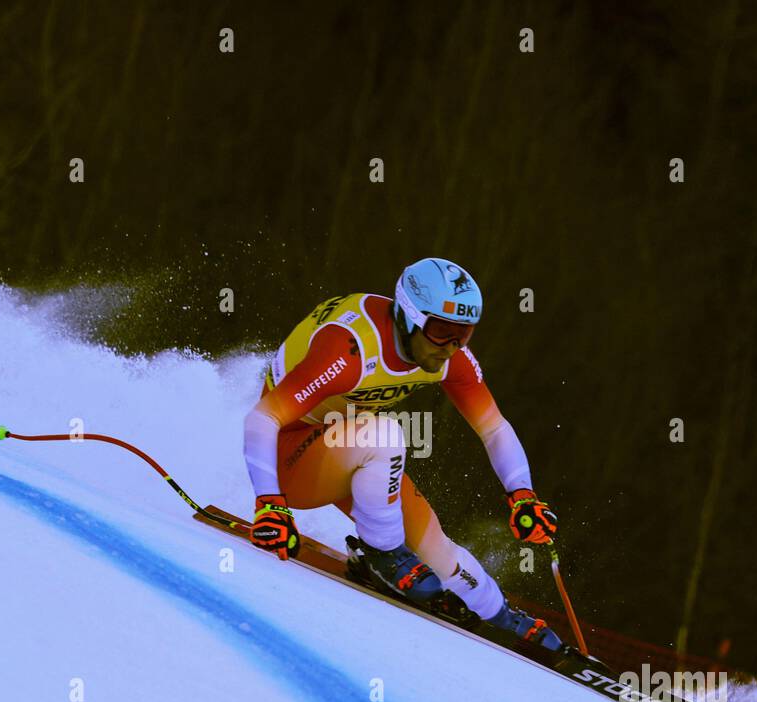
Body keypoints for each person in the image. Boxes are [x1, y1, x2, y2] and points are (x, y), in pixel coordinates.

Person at [242, 257, 564, 649]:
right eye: (442, 330)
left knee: (437, 550)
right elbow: (263, 418)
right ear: (409, 317)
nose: (451, 346)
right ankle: (384, 557)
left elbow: (494, 427)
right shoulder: (350, 348)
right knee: (386, 435)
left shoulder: (448, 357)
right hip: (289, 456)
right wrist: (270, 503)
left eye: (463, 333)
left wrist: (522, 493)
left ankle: (501, 616)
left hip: (352, 453)